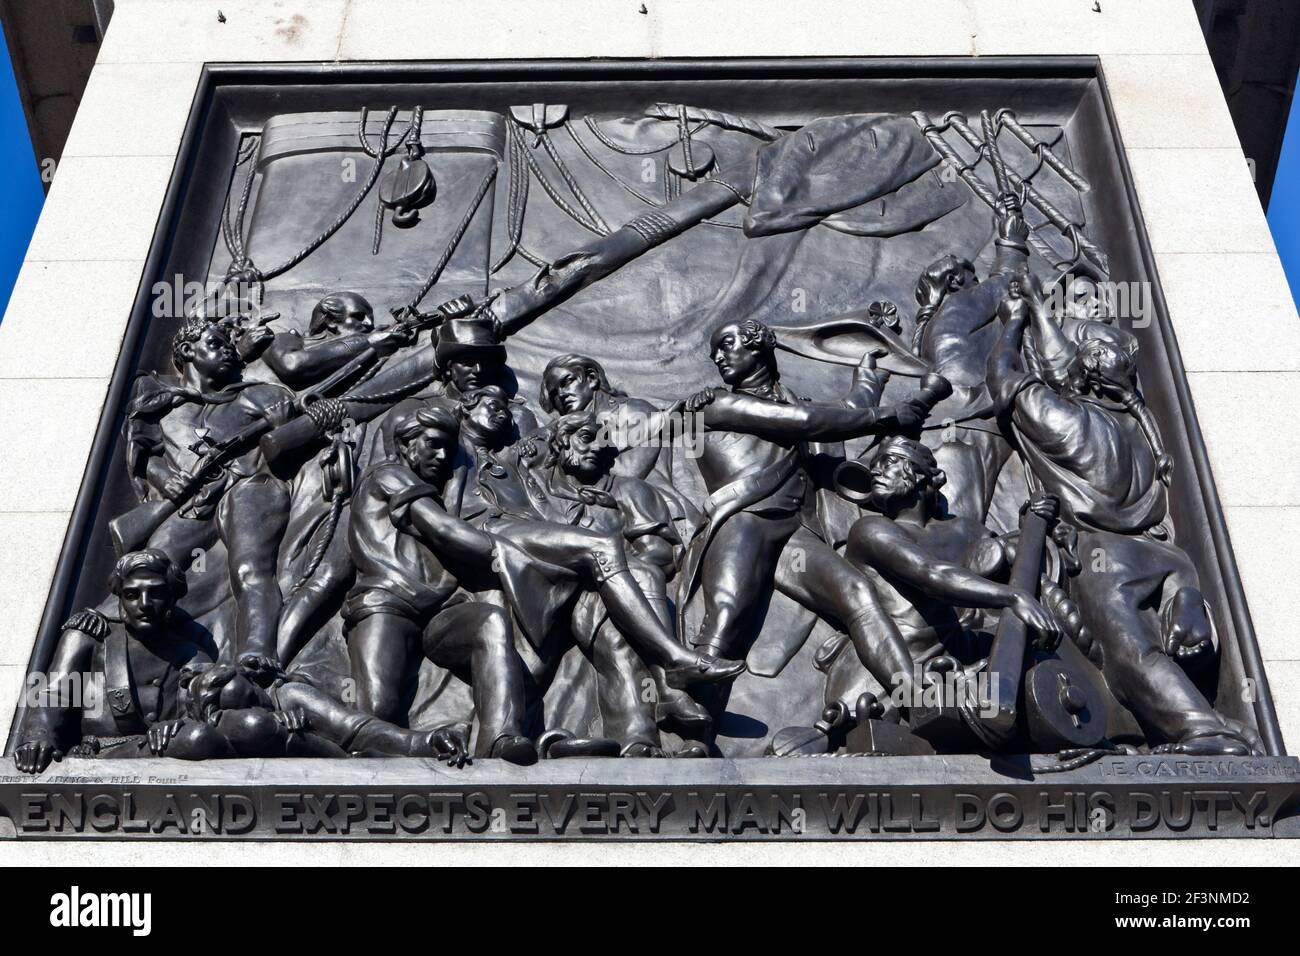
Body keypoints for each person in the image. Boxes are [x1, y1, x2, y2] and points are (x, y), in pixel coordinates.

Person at [985, 282, 1259, 755]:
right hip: (1169, 558)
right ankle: (1210, 675)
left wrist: (1014, 320)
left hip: (1108, 556)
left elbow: (1004, 379)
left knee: (1132, 653)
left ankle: (1204, 731)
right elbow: (1059, 364)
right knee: (1174, 642)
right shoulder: (1140, 429)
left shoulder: (1069, 421)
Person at [677, 318, 927, 702]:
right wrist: (890, 415)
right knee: (726, 619)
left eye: (727, 344)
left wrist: (868, 375)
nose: (718, 357)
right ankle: (685, 722)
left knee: (857, 592)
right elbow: (809, 424)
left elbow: (841, 413)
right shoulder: (717, 403)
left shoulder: (794, 402)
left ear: (758, 344)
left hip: (794, 533)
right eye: (714, 352)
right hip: (745, 519)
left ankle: (916, 697)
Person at [343, 401, 536, 764]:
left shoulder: (440, 488)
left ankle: (499, 737)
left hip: (438, 613)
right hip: (387, 606)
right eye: (433, 443)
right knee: (376, 714)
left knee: (490, 621)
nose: (443, 454)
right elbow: (445, 530)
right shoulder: (387, 476)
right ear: (405, 443)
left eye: (449, 446)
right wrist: (518, 554)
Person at [121, 316, 295, 670]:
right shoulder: (162, 405)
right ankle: (145, 649)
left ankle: (258, 653)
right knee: (151, 567)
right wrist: (167, 477)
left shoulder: (262, 395)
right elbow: (145, 455)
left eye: (232, 345)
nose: (230, 351)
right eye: (217, 344)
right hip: (194, 503)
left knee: (250, 568)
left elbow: (296, 442)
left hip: (249, 489)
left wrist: (283, 429)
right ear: (187, 350)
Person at [13, 550, 214, 774]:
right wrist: (39, 737)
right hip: (95, 757)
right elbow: (54, 694)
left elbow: (203, 712)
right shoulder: (88, 637)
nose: (144, 604)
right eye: (131, 595)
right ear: (119, 598)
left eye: (155, 593)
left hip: (162, 760)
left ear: (171, 598)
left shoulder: (191, 653)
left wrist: (180, 726)